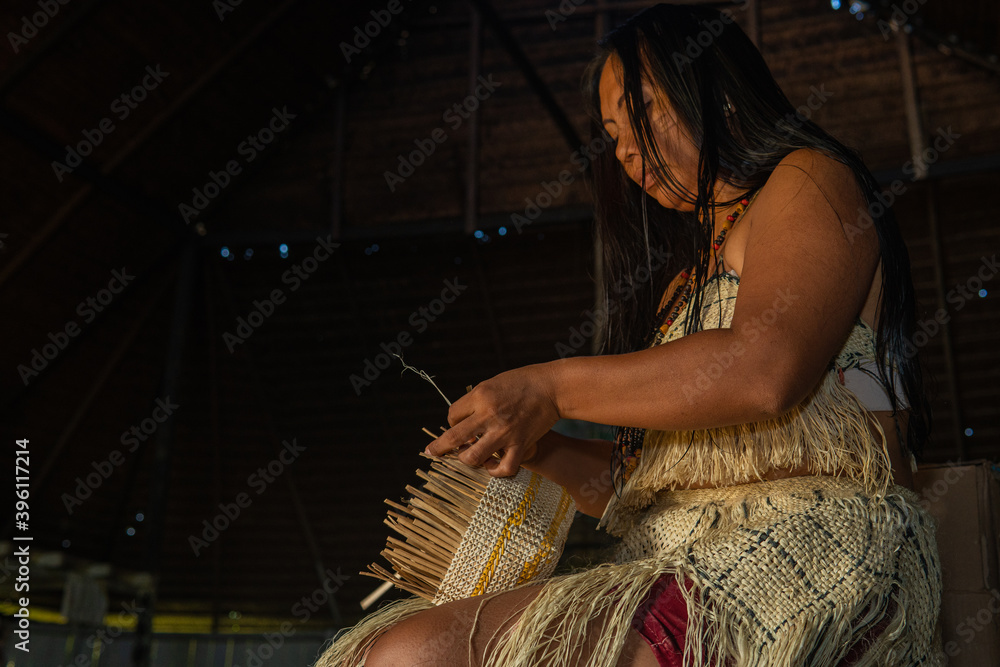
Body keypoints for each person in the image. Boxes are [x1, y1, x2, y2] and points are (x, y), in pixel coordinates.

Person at [317, 4, 943, 665]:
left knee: (418, 653)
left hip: (810, 550)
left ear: (720, 91)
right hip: (675, 557)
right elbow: (638, 486)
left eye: (639, 110)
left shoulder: (811, 180)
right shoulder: (682, 290)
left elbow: (766, 368)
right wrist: (539, 447)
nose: (623, 148)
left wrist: (551, 387)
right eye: (612, 132)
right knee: (388, 649)